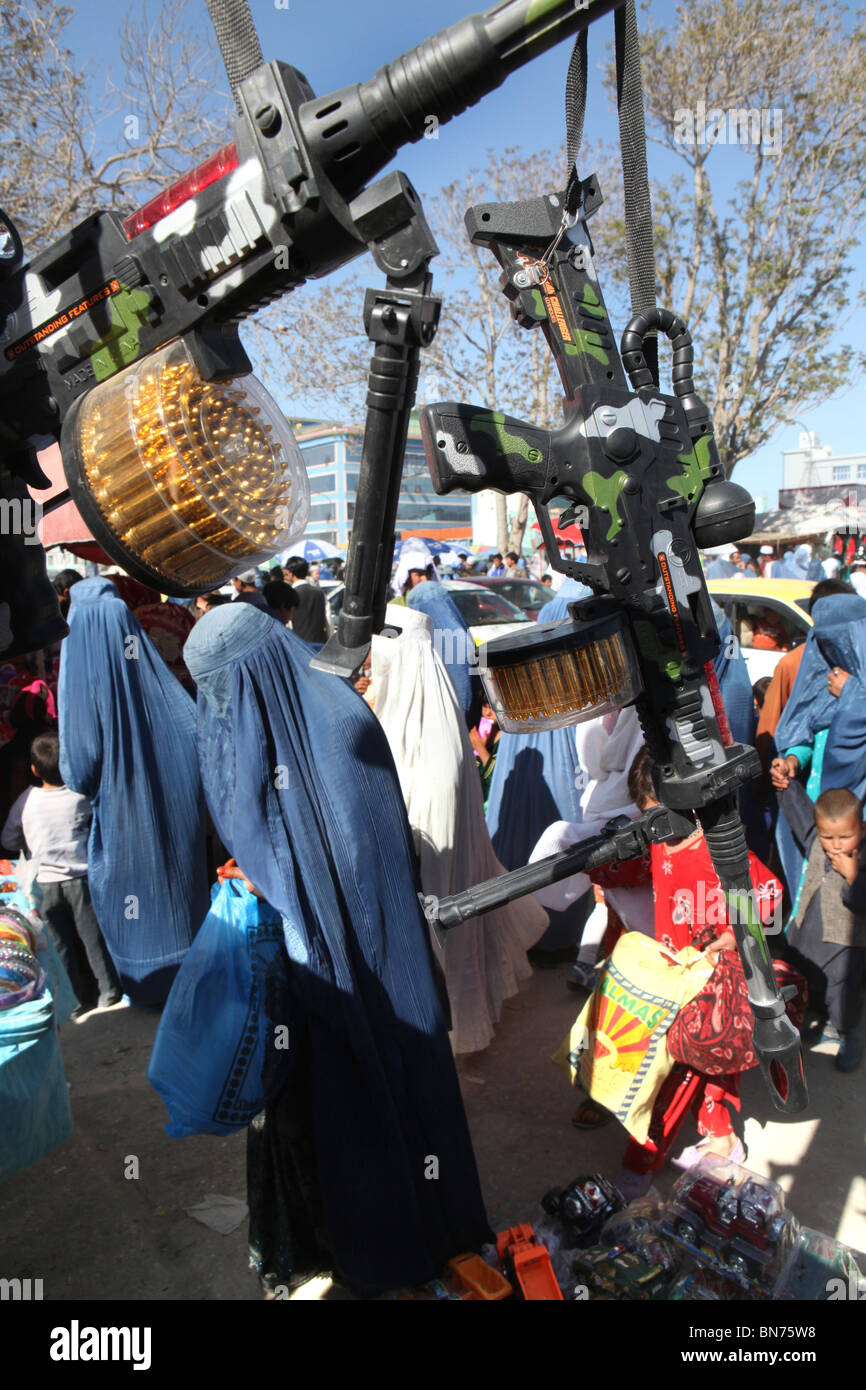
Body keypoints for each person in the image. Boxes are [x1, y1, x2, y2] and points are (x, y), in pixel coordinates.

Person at [183, 602, 492, 1295]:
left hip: (331, 962)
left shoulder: (292, 728)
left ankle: (385, 1251)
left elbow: (277, 849)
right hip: (391, 950)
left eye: (220, 691)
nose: (219, 710)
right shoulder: (334, 704)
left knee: (354, 1101)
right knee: (411, 1086)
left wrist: (265, 887)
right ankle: (442, 1227)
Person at [370, 603, 547, 1054]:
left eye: (380, 659)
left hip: (433, 875)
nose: (374, 670)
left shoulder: (423, 729)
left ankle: (446, 1030)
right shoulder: (430, 708)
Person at [614, 748, 783, 1198]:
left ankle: (639, 1165)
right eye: (649, 819)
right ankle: (722, 1139)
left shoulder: (717, 848)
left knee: (680, 1073)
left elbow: (768, 895)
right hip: (674, 976)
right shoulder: (658, 841)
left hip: (711, 983)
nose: (657, 829)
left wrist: (731, 934)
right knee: (704, 1070)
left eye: (660, 818)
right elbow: (641, 871)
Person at [58, 577, 209, 1005]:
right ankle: (187, 978)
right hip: (181, 798)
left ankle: (150, 985)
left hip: (125, 807)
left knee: (135, 898)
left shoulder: (83, 650)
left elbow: (80, 768)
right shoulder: (150, 664)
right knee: (180, 889)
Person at [1, 730, 122, 1016]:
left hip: (43, 884)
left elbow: (8, 840)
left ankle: (74, 1003)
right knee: (92, 939)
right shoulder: (80, 795)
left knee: (59, 947)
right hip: (81, 880)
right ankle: (109, 992)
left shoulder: (25, 801)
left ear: (33, 769)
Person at [775, 775, 866, 1071]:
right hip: (808, 935)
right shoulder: (817, 841)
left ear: (861, 829)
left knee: (842, 997)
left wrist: (853, 875)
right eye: (829, 837)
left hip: (844, 947)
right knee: (810, 986)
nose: (836, 845)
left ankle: (849, 1035)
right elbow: (802, 815)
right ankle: (823, 1022)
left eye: (845, 837)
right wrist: (787, 786)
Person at [283, 557, 329, 643]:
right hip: (319, 645)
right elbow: (328, 619)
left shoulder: (290, 594)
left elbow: (289, 624)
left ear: (291, 573)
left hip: (299, 645)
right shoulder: (319, 593)